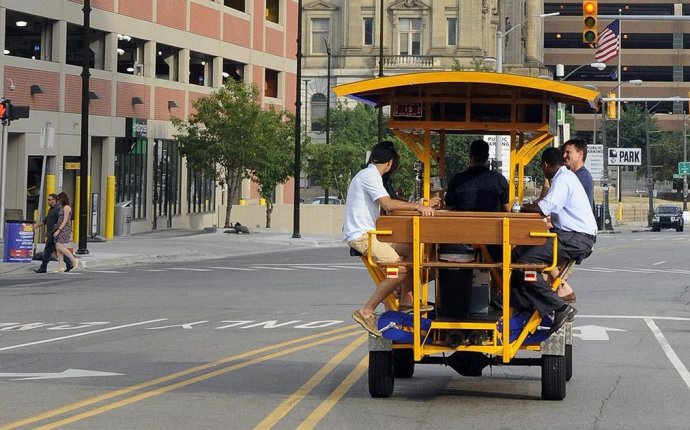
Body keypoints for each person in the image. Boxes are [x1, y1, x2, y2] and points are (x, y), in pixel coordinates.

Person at [345, 141, 437, 337]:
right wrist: (417, 207)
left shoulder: (367, 174)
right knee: (400, 269)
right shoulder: (370, 176)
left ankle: (405, 300)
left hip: (372, 233)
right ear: (389, 163)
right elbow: (387, 204)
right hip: (363, 236)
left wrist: (414, 204)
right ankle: (367, 310)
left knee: (413, 249)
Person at [513, 147, 597, 334]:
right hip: (571, 236)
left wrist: (519, 209)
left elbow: (544, 208)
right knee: (516, 253)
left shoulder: (563, 180)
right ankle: (521, 303)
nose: (544, 173)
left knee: (524, 263)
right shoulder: (565, 178)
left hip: (575, 239)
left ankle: (560, 307)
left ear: (545, 165)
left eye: (542, 169)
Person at [445, 139, 510, 212]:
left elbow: (449, 206)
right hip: (491, 222)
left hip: (463, 222)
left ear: (470, 156)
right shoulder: (499, 180)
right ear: (487, 156)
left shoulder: (456, 180)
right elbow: (507, 208)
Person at [33, 193, 73, 273]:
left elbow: (63, 221)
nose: (48, 201)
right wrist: (38, 225)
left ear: (55, 200)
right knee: (57, 249)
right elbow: (46, 220)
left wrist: (59, 231)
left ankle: (43, 268)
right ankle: (69, 264)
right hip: (51, 233)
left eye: (50, 200)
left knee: (47, 251)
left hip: (54, 233)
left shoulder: (59, 209)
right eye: (48, 200)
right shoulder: (51, 209)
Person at [53, 192, 79, 273]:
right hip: (60, 228)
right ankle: (60, 266)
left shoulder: (67, 207)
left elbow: (65, 220)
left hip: (64, 229)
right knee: (58, 248)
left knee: (59, 246)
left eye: (59, 199)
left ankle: (73, 259)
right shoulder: (62, 207)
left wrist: (59, 230)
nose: (58, 201)